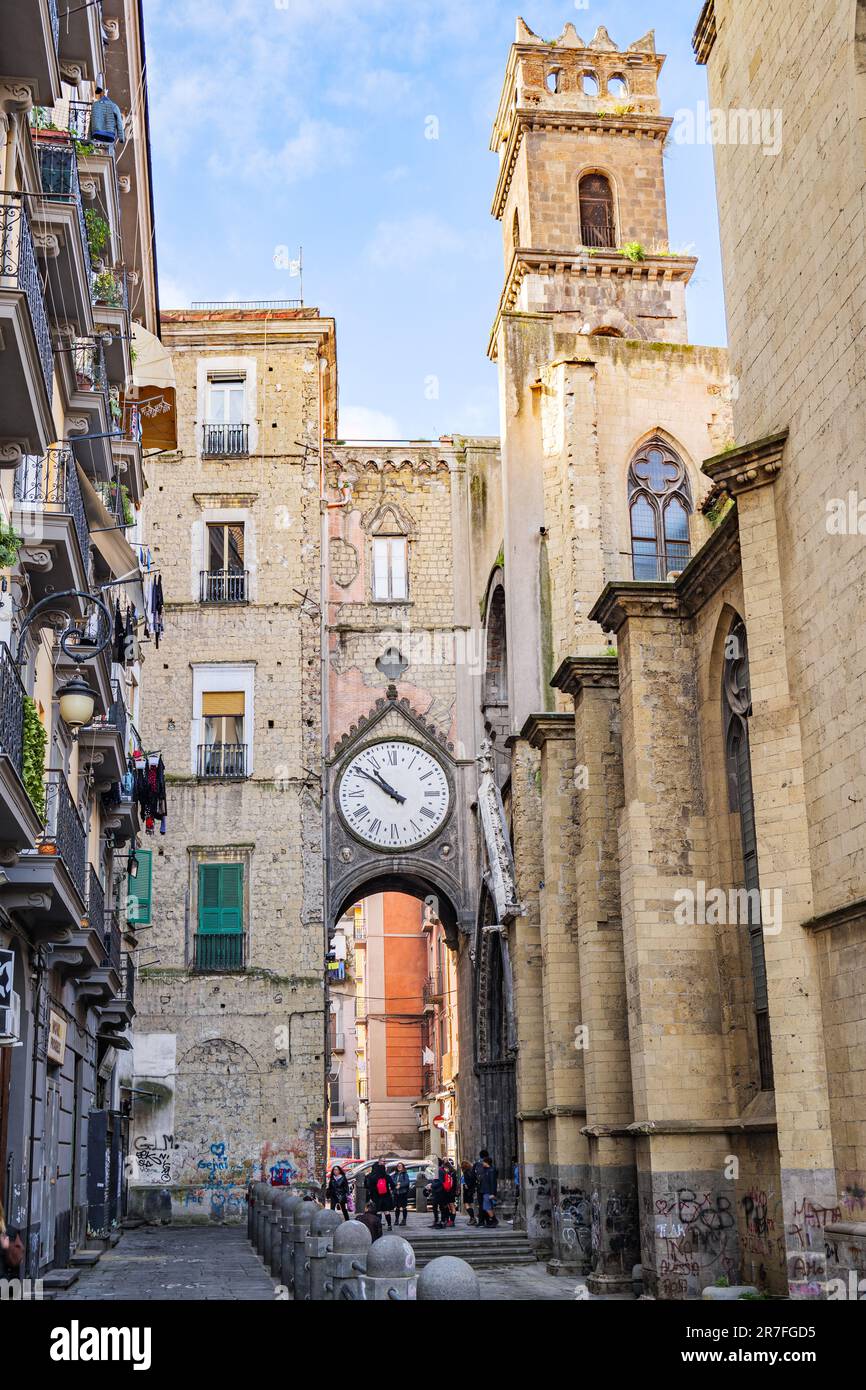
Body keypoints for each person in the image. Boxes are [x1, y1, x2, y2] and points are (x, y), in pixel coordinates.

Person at [91, 85, 125, 150]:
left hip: (96, 133)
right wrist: (121, 138)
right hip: (110, 134)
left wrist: (89, 138)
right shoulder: (114, 106)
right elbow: (119, 122)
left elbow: (91, 122)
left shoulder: (95, 105)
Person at [368, 1156, 395, 1231]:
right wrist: (390, 1189)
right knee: (386, 1211)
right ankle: (389, 1226)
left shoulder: (373, 1176)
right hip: (385, 1196)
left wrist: (371, 1196)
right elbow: (393, 1185)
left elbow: (370, 1186)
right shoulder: (386, 1176)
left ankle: (379, 1226)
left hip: (377, 1196)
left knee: (378, 1211)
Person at [478, 1154, 499, 1227]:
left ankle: (494, 1220)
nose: (482, 1163)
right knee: (488, 1207)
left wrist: (492, 1193)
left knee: (486, 1207)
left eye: (483, 1162)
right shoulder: (486, 1170)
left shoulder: (491, 1170)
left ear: (487, 1162)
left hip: (488, 1192)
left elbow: (493, 1182)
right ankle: (494, 1221)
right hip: (485, 1191)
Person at [392, 1162, 410, 1227]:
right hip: (396, 1193)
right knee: (397, 1207)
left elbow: (407, 1182)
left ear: (403, 1167)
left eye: (400, 1166)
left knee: (404, 1207)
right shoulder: (395, 1174)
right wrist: (396, 1184)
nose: (399, 1167)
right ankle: (396, 1220)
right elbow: (392, 1181)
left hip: (403, 1193)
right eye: (398, 1166)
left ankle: (404, 1220)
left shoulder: (405, 1174)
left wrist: (400, 1185)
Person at [461, 1158, 478, 1225]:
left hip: (467, 1190)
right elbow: (474, 1180)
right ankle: (472, 1218)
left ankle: (473, 1218)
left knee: (466, 1204)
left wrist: (467, 1185)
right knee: (469, 1204)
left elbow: (468, 1181)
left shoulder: (465, 1172)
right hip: (471, 1190)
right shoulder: (472, 1171)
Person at [441, 1158, 458, 1227]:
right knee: (449, 1206)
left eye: (445, 1168)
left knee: (451, 1206)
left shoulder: (451, 1174)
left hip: (450, 1192)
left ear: (447, 1167)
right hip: (449, 1192)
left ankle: (452, 1221)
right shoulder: (451, 1173)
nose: (444, 1169)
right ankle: (449, 1220)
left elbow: (453, 1184)